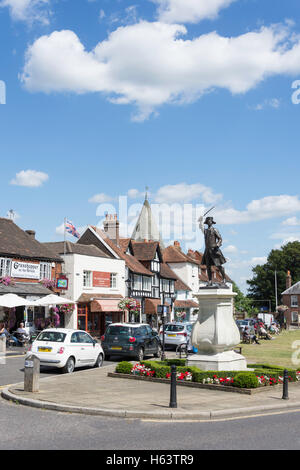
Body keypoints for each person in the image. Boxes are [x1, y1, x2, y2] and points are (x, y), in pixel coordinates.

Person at [198, 215, 227, 286]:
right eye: (208, 221)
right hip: (207, 250)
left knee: (218, 265)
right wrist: (201, 220)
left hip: (214, 250)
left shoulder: (215, 230)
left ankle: (224, 279)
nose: (209, 222)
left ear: (212, 222)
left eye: (210, 221)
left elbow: (220, 239)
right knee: (208, 266)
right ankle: (210, 281)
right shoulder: (205, 231)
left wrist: (217, 245)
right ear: (207, 223)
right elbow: (201, 227)